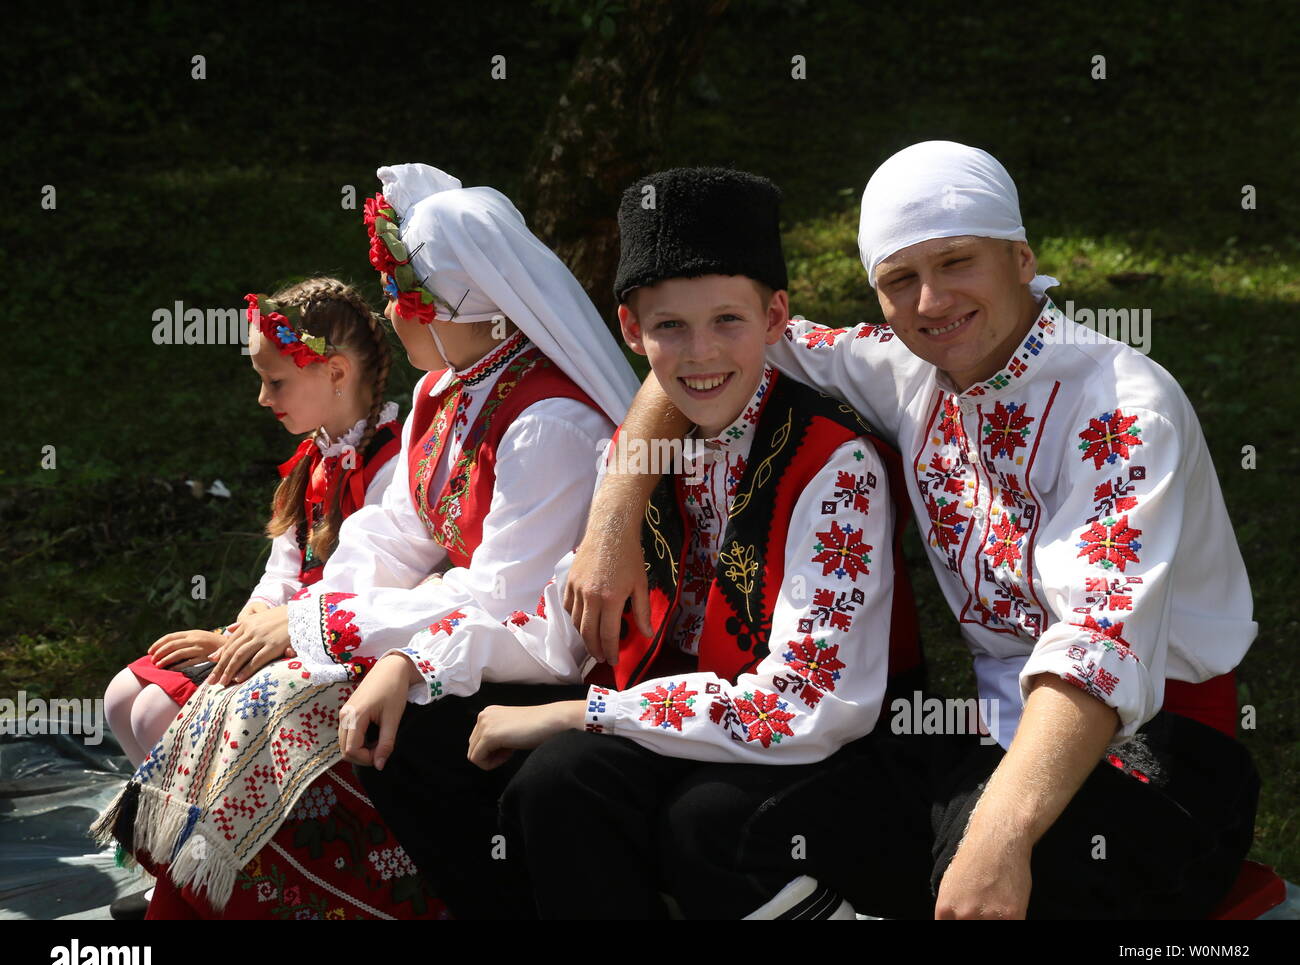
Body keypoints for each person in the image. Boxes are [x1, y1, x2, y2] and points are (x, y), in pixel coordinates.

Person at [562, 142, 1260, 919]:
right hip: (985, 737)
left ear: (1021, 259)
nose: (931, 301)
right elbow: (709, 345)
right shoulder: (909, 366)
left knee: (999, 880)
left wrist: (997, 838)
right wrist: (616, 512)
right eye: (900, 279)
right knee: (722, 826)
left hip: (1152, 752)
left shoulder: (1124, 411)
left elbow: (1096, 649)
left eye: (957, 261)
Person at [94, 163, 638, 920]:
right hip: (450, 640)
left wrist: (321, 627)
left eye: (397, 292)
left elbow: (503, 599)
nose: (387, 308)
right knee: (247, 696)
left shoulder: (547, 422)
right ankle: (209, 897)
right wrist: (305, 617)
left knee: (282, 717)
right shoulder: (448, 389)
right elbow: (393, 533)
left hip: (523, 662)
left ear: (449, 304)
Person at [386, 166, 924, 918]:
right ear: (631, 331)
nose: (700, 353)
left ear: (776, 319)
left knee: (697, 820)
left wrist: (584, 713)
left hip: (832, 742)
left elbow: (807, 702)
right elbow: (567, 615)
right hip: (681, 705)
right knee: (502, 763)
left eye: (727, 321)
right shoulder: (635, 456)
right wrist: (417, 660)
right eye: (670, 326)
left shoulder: (835, 465)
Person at [98, 277, 401, 918]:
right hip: (292, 633)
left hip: (353, 646)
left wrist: (269, 634)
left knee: (160, 712)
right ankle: (179, 860)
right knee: (125, 694)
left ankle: (220, 869)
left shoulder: (392, 463)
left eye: (276, 381)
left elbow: (368, 583)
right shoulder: (314, 462)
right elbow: (280, 573)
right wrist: (240, 631)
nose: (262, 397)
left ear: (337, 372)